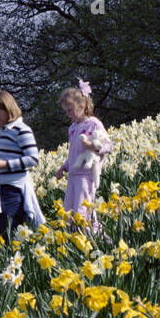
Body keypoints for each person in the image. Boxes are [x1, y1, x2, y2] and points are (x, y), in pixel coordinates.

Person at [0, 91, 45, 243]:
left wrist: (5, 164)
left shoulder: (22, 130)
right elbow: (3, 165)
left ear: (8, 110)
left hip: (13, 192)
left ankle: (14, 263)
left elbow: (33, 159)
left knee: (9, 233)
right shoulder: (1, 133)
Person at [55, 78, 112, 233]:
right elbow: (73, 152)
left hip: (87, 176)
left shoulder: (94, 124)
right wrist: (64, 167)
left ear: (82, 106)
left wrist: (92, 146)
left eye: (70, 110)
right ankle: (75, 242)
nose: (68, 114)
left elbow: (108, 146)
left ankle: (94, 239)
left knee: (83, 210)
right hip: (73, 175)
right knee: (69, 211)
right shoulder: (73, 128)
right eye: (65, 111)